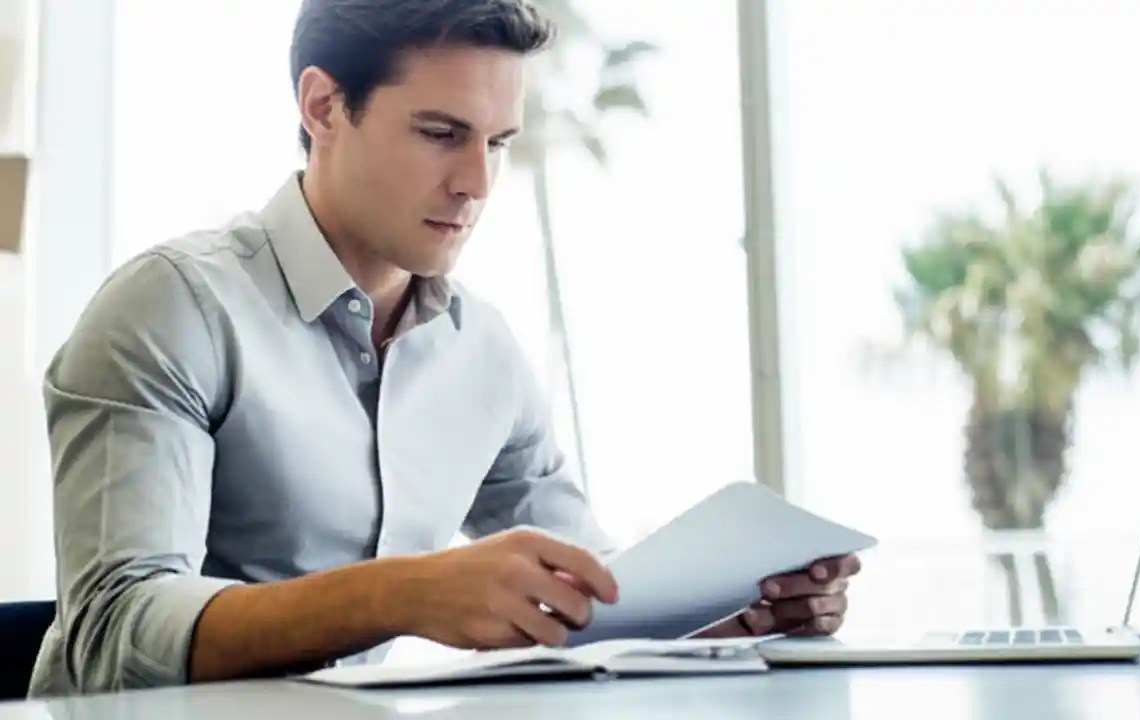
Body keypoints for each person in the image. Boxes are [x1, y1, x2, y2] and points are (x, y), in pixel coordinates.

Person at [29, 0, 861, 697]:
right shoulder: (173, 308)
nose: (478, 182)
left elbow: (591, 600)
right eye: (439, 133)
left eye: (496, 142)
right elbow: (113, 633)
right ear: (322, 108)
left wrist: (732, 615)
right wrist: (405, 593)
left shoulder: (483, 355)